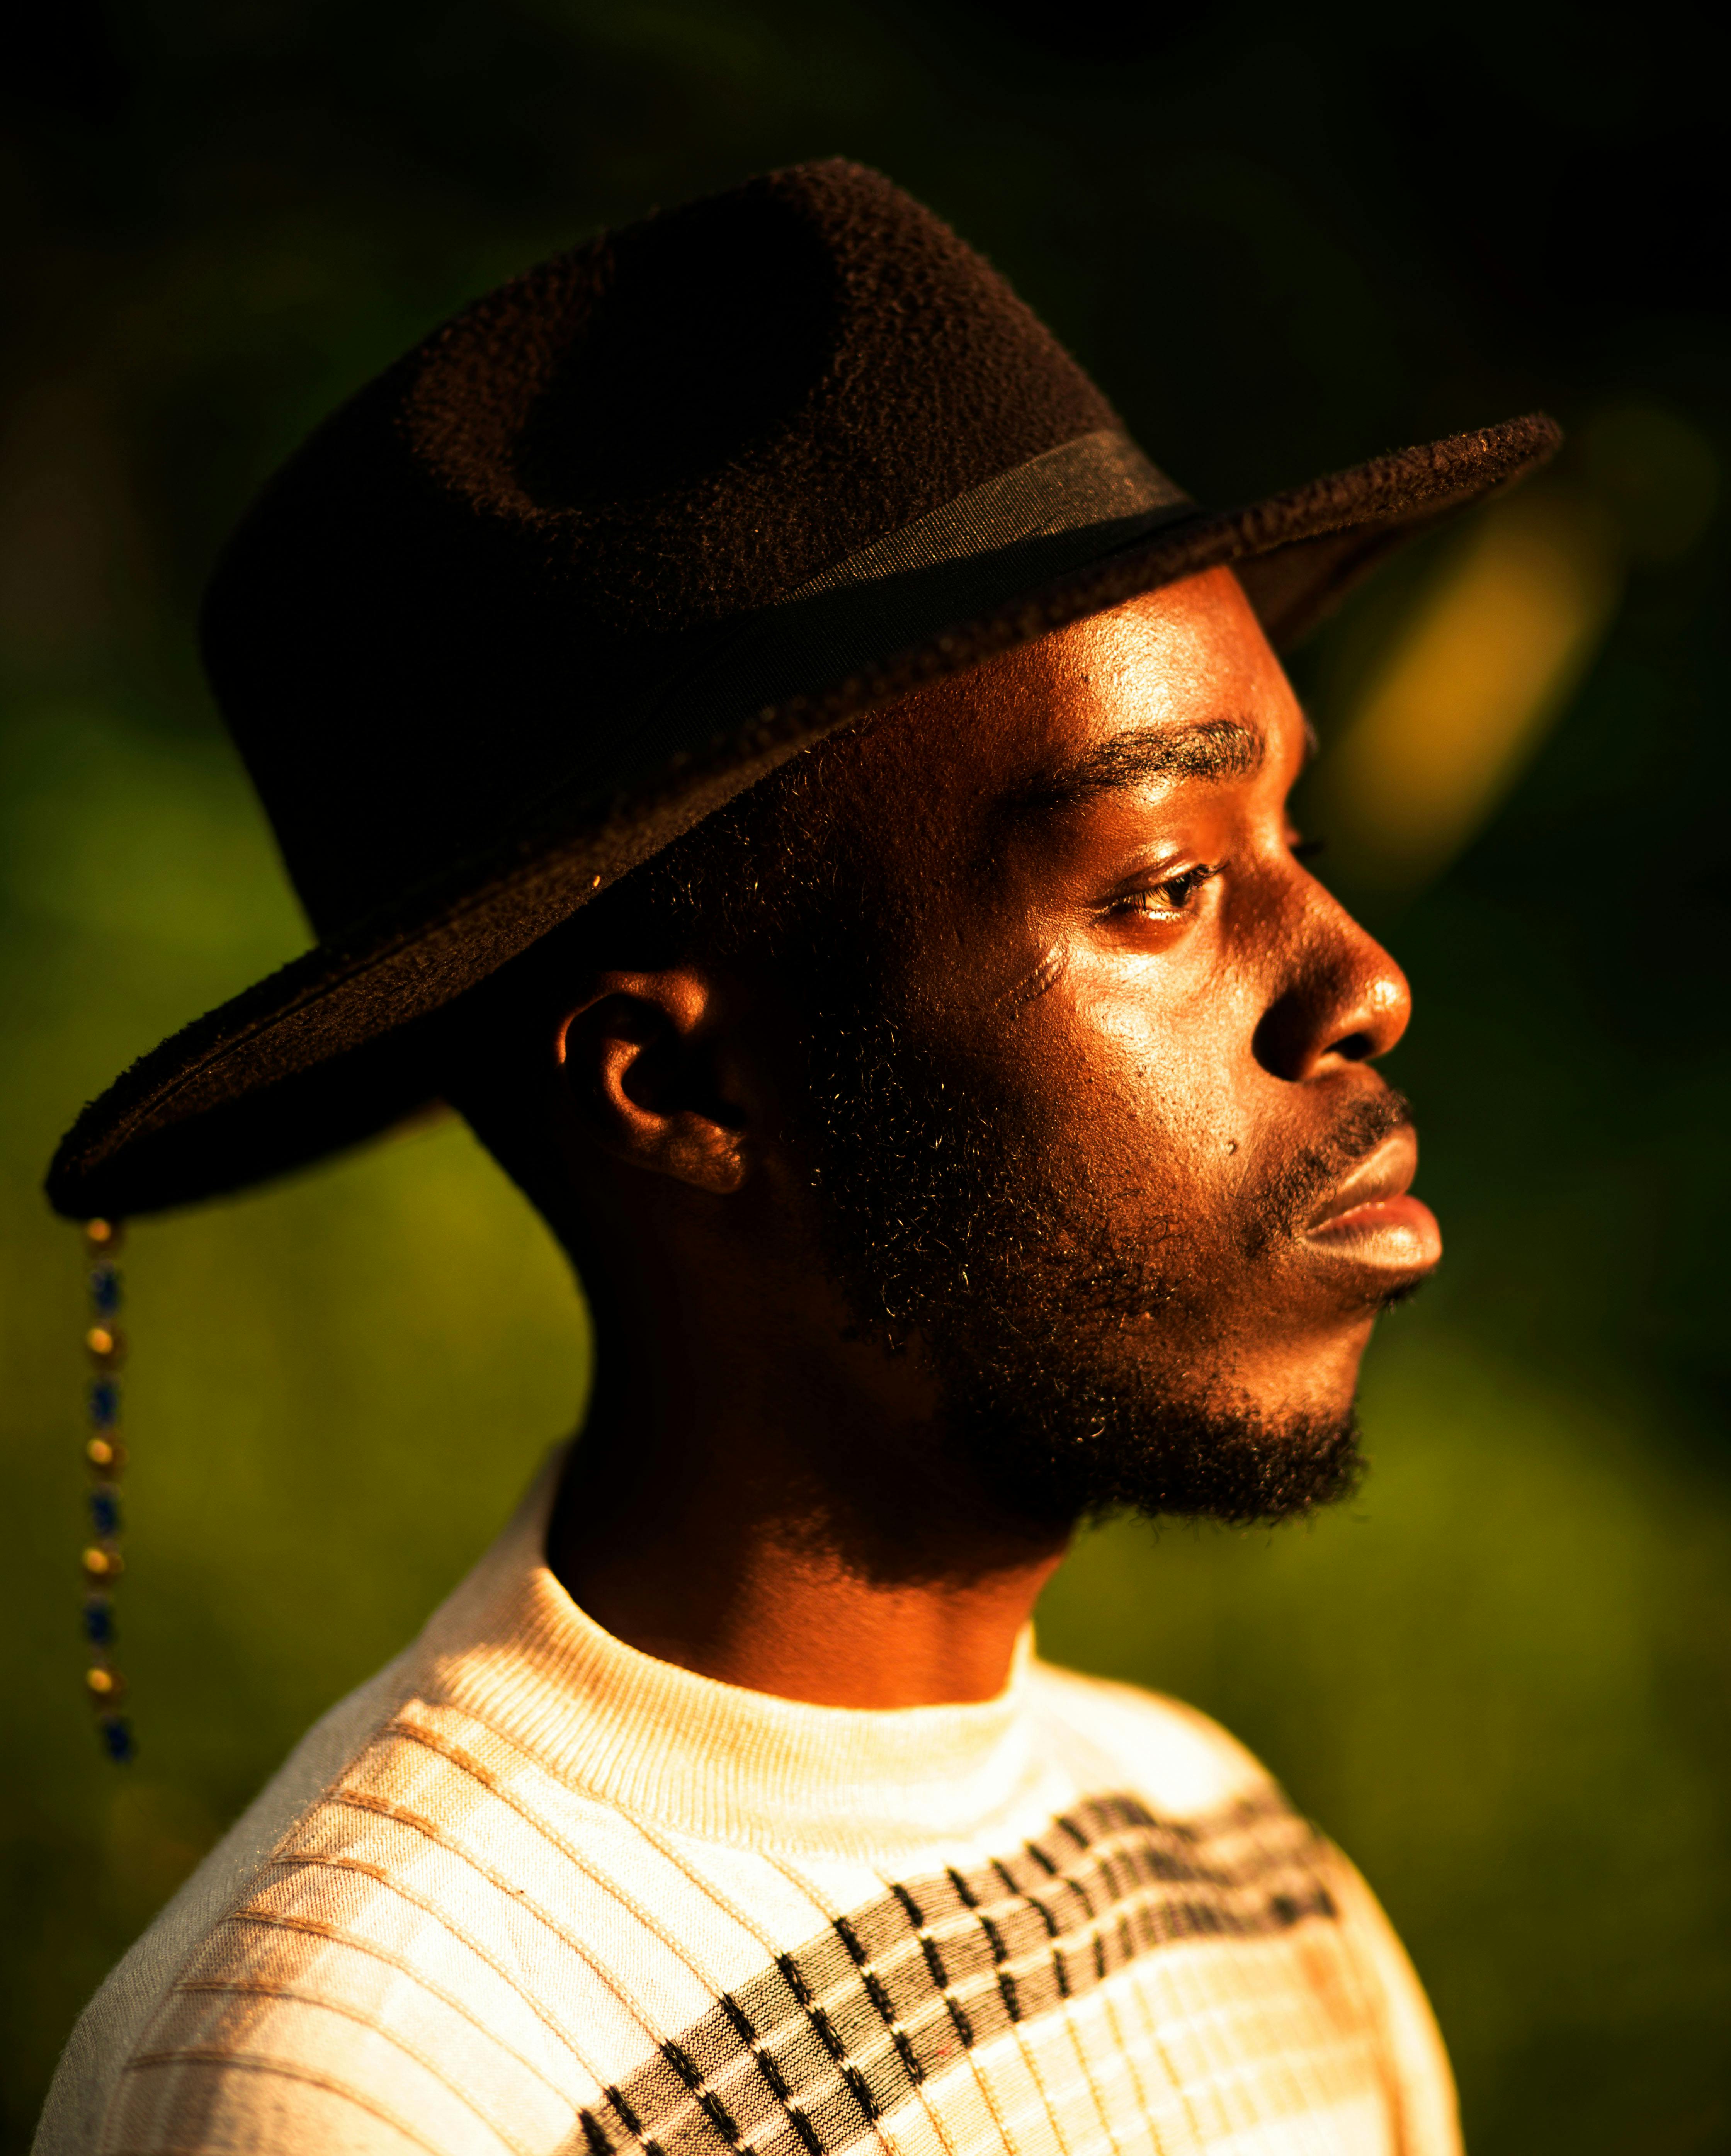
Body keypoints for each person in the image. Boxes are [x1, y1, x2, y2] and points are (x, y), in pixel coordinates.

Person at [37, 159, 1559, 2156]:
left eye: (1305, 844)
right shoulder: (368, 2078)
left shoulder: (1243, 1871)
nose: (1361, 984)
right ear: (679, 1090)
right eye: (1173, 884)